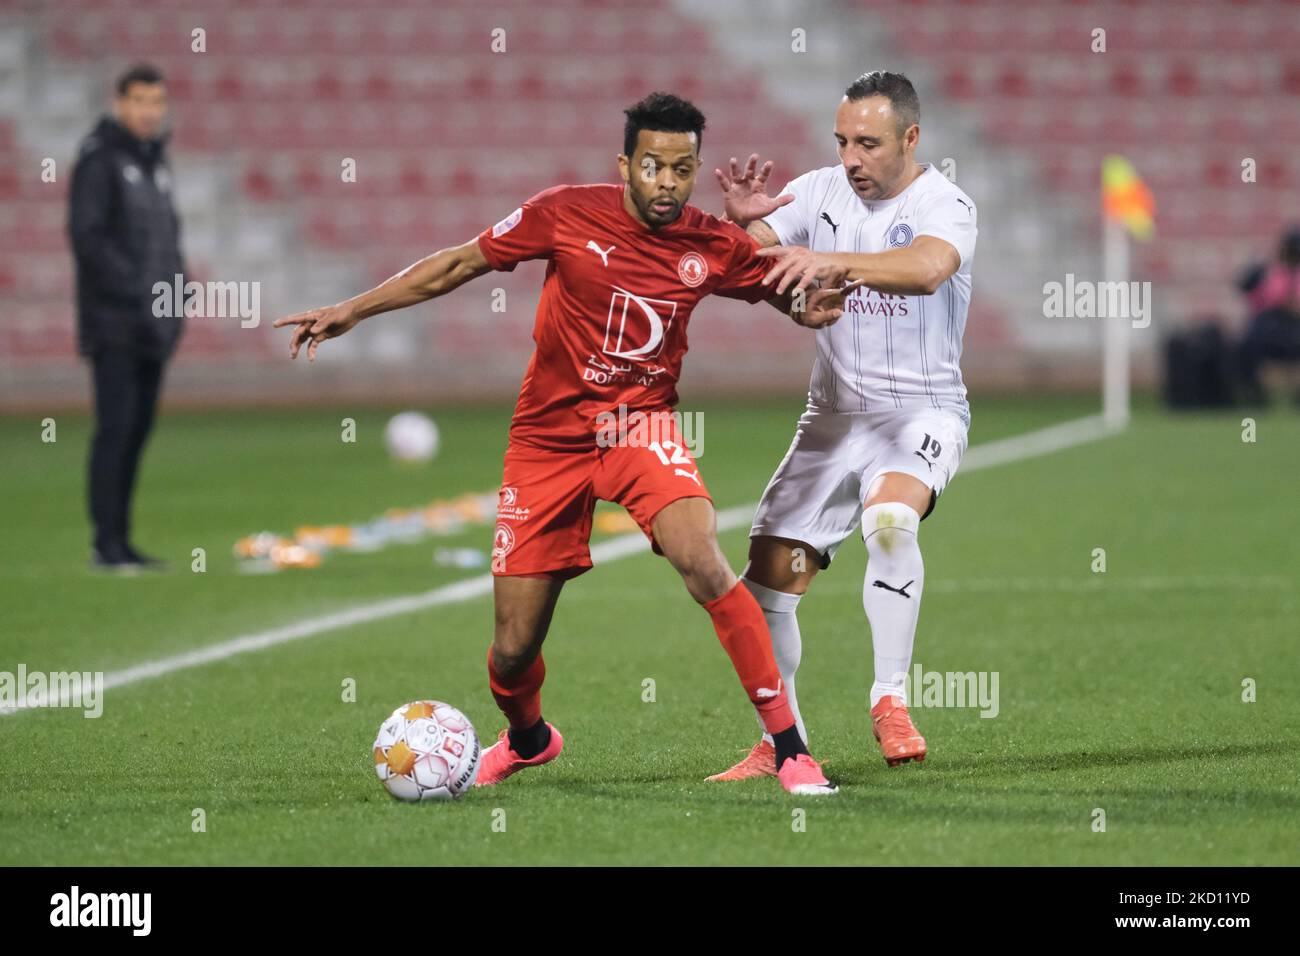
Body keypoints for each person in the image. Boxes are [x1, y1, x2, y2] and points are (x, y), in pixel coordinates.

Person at [275, 93, 856, 795]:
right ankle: (527, 739)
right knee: (513, 652)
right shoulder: (566, 212)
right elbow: (460, 263)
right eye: (652, 166)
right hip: (547, 441)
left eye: (682, 168)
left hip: (639, 425)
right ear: (625, 166)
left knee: (702, 560)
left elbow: (788, 291)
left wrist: (811, 308)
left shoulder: (712, 244)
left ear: (697, 169)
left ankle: (790, 748)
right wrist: (351, 310)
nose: (667, 182)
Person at [706, 71, 978, 779]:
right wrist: (743, 226)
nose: (851, 157)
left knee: (891, 519)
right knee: (767, 587)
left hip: (921, 412)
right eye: (842, 141)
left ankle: (889, 699)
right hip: (830, 421)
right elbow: (757, 254)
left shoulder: (944, 203)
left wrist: (829, 259)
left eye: (868, 143)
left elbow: (925, 269)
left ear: (911, 139)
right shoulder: (819, 191)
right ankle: (781, 742)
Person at [68, 63, 185, 571]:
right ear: (119, 103)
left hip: (153, 322)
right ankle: (105, 542)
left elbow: (167, 241)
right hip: (116, 322)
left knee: (136, 431)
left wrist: (177, 298)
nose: (149, 112)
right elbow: (88, 238)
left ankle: (121, 539)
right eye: (140, 101)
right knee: (115, 429)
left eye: (157, 103)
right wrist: (141, 294)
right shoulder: (100, 160)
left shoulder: (155, 160)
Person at [1236, 226, 1300, 406]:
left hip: (1293, 327)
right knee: (1248, 345)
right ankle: (1253, 395)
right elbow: (1246, 288)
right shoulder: (1269, 271)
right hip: (1272, 327)